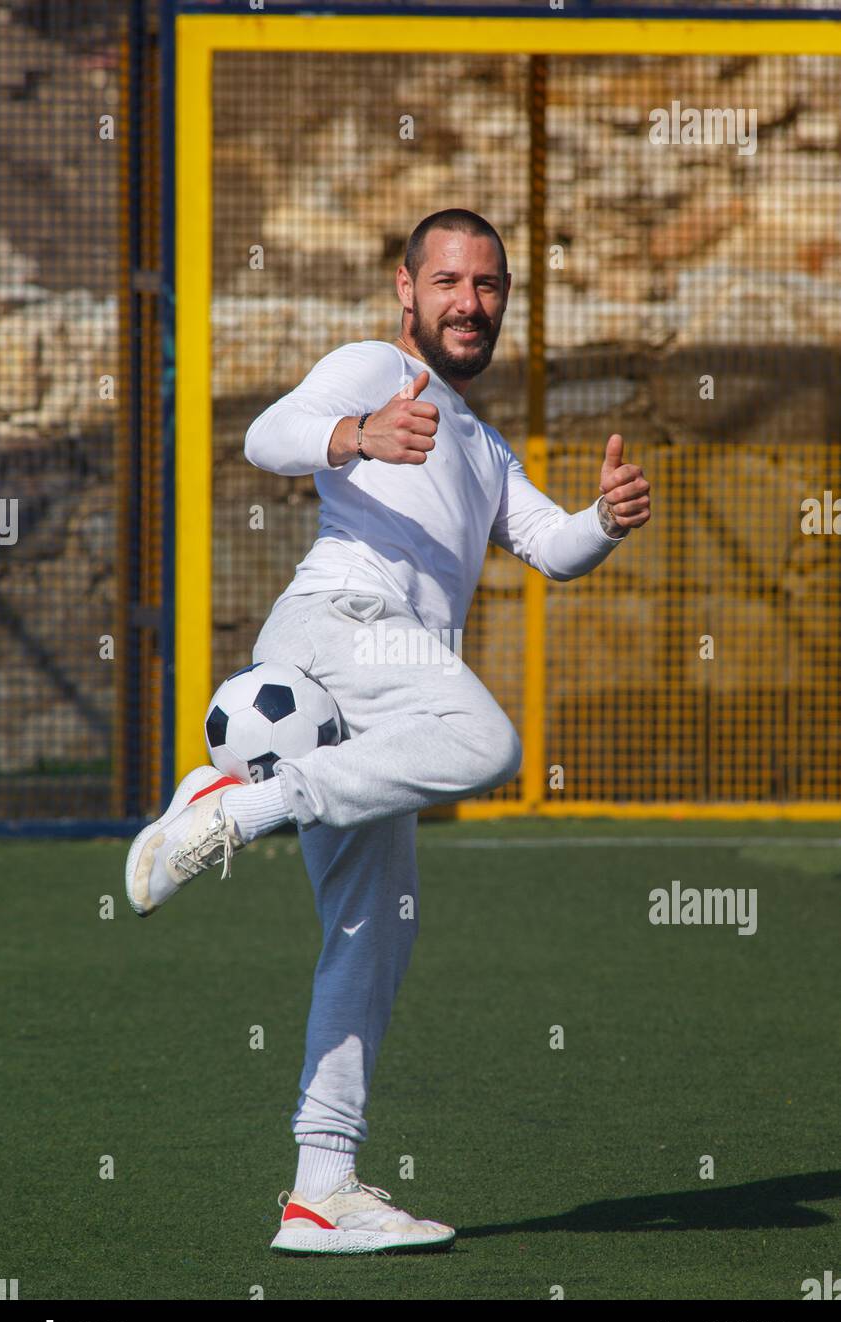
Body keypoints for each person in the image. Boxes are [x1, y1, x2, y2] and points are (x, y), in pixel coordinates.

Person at [125, 208, 651, 1255]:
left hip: (370, 690)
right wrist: (357, 435)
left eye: (489, 284)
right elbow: (264, 437)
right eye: (448, 280)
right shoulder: (373, 366)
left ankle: (320, 1189)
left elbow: (545, 546)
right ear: (404, 290)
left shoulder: (482, 441)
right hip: (344, 632)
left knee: (372, 936)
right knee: (486, 746)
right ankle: (242, 801)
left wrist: (602, 518)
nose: (470, 300)